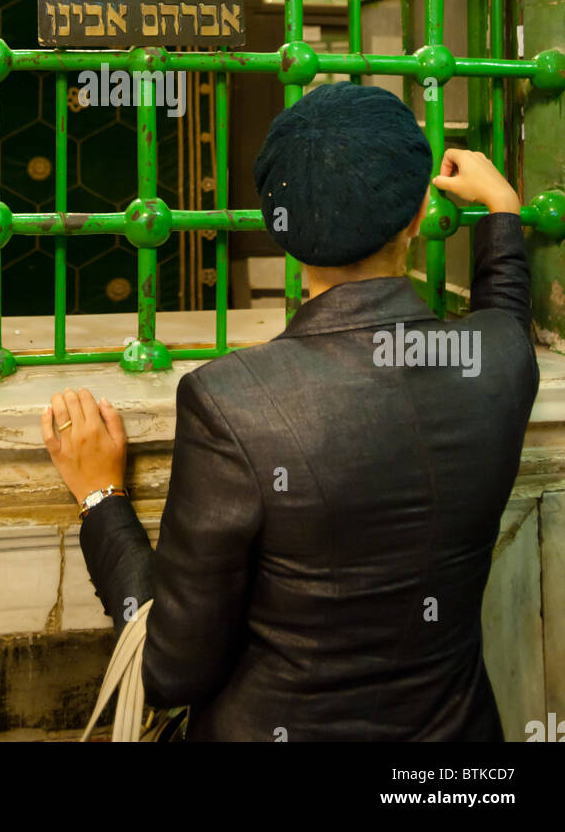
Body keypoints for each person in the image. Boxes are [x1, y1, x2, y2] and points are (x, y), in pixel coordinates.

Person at [41, 82, 538, 742]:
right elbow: (502, 312)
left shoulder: (233, 399)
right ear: (420, 212)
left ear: (279, 228)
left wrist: (102, 497)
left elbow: (169, 669)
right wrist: (503, 211)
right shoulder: (498, 360)